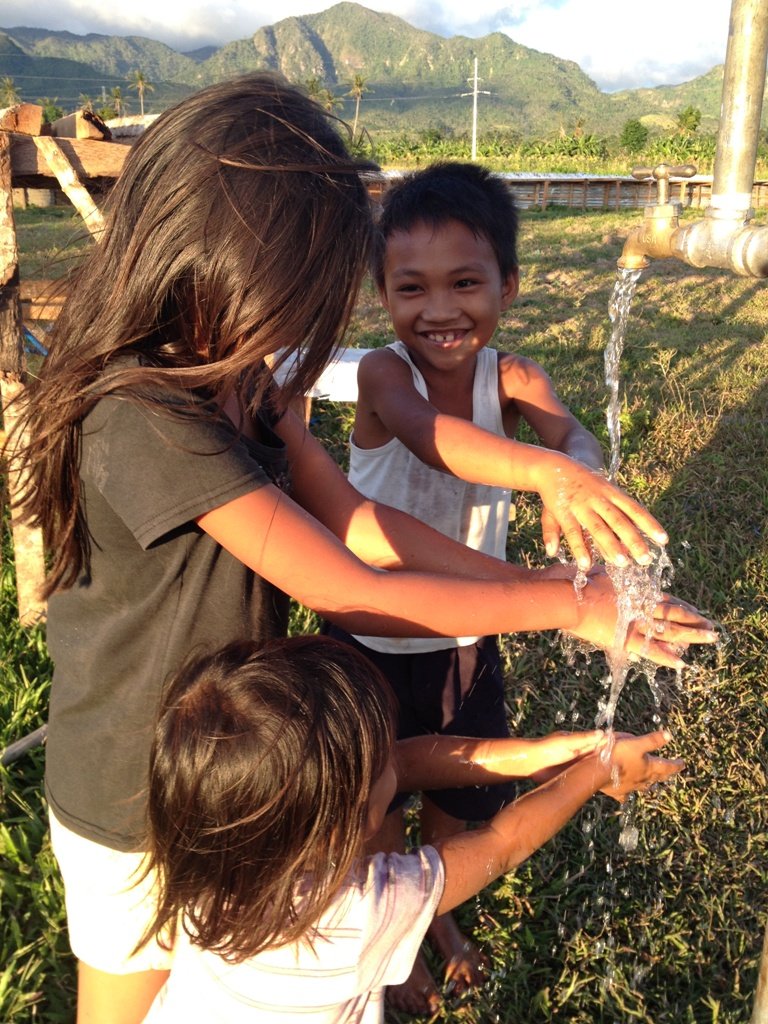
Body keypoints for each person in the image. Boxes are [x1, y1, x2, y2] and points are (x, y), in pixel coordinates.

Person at [9, 77, 715, 1024]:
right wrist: (563, 606)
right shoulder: (142, 416)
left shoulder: (241, 386)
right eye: (302, 294)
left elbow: (361, 527)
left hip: (240, 764)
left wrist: (541, 584)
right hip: (135, 789)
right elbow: (345, 589)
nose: (310, 325)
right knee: (132, 1005)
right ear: (217, 263)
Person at [325, 161, 671, 1012]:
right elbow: (431, 438)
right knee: (374, 799)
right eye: (413, 288)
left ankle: (436, 916)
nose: (439, 310)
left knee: (463, 794)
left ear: (508, 287)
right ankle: (391, 942)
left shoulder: (513, 380)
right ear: (382, 293)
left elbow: (572, 433)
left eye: (466, 283)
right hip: (366, 629)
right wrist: (544, 471)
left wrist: (577, 464)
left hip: (467, 634)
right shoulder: (383, 377)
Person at [139, 634, 685, 1022]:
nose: (394, 757)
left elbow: (405, 763)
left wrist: (534, 756)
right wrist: (593, 772)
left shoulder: (209, 851)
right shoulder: (356, 915)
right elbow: (503, 840)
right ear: (342, 818)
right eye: (378, 762)